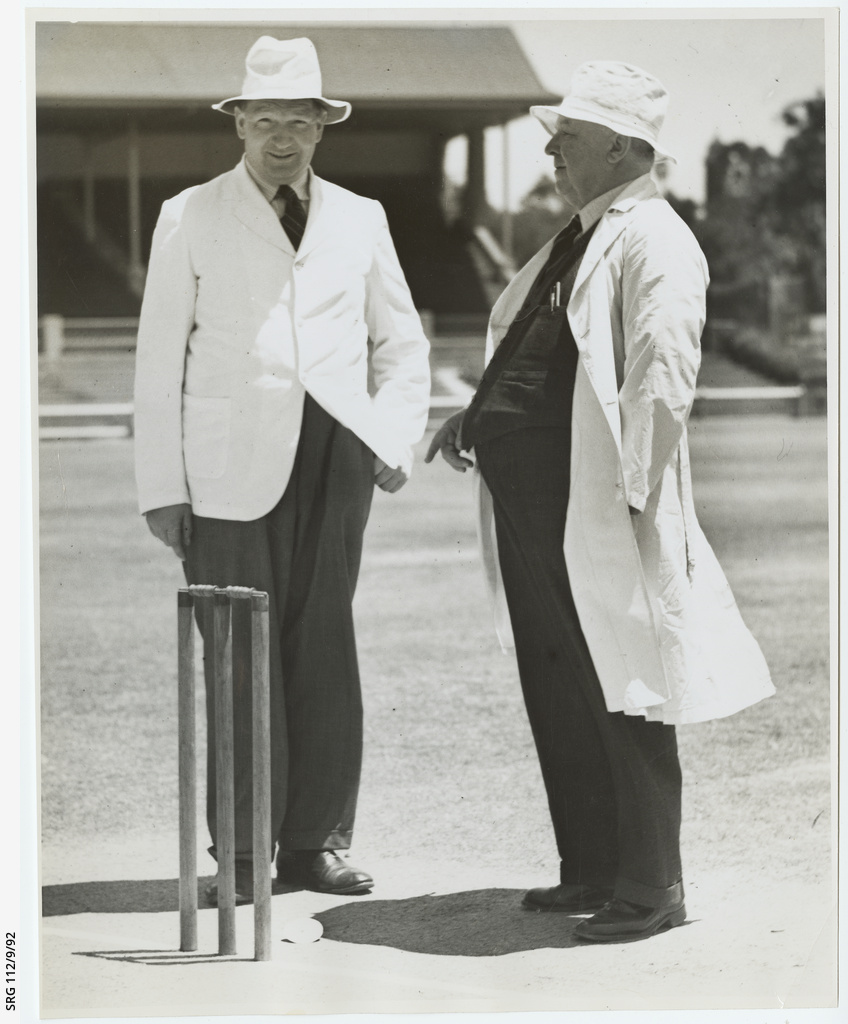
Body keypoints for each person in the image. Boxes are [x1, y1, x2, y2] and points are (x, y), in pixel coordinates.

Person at [426, 61, 774, 943]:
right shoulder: (578, 236)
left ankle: (651, 885)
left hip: (594, 505)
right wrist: (473, 421)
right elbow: (536, 352)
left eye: (569, 138)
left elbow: (663, 373)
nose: (551, 149)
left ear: (623, 147)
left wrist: (630, 492)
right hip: (533, 498)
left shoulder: (655, 237)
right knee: (558, 682)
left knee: (624, 686)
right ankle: (589, 867)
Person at [134, 35, 430, 899]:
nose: (282, 139)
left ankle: (314, 846)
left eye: (299, 122)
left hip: (335, 458)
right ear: (239, 124)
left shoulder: (361, 217)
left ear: (322, 128)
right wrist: (162, 488)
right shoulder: (188, 214)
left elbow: (402, 344)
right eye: (265, 121)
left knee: (324, 647)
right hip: (224, 467)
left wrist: (391, 435)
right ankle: (241, 853)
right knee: (236, 653)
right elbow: (157, 362)